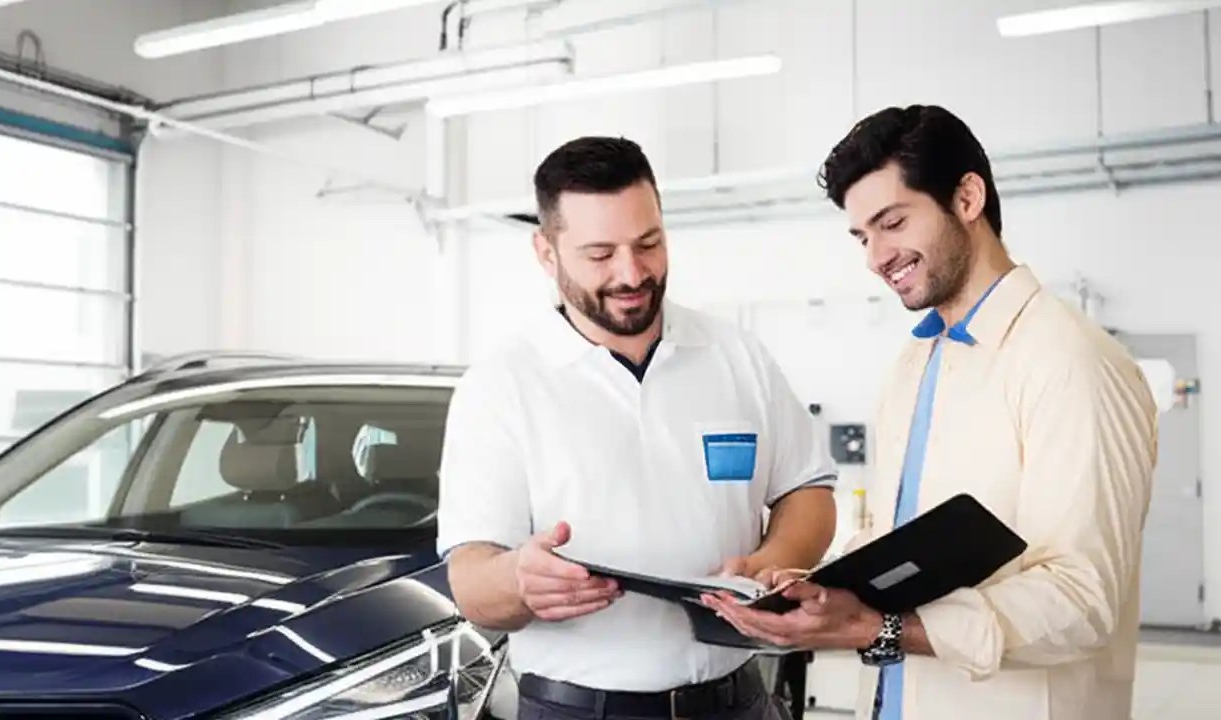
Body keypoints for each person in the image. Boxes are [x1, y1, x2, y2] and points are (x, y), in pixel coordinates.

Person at [702, 105, 1159, 720]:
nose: (876, 256)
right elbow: (901, 541)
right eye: (863, 236)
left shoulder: (1071, 360)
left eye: (891, 223)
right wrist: (816, 586)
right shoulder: (918, 362)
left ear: (967, 197)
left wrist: (880, 628)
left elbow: (1084, 599)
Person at [436, 135, 839, 719]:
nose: (632, 273)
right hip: (579, 710)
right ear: (546, 253)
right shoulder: (500, 384)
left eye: (648, 244)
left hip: (739, 702)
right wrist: (519, 581)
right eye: (600, 255)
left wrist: (771, 560)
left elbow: (807, 491)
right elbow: (472, 583)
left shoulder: (736, 355)